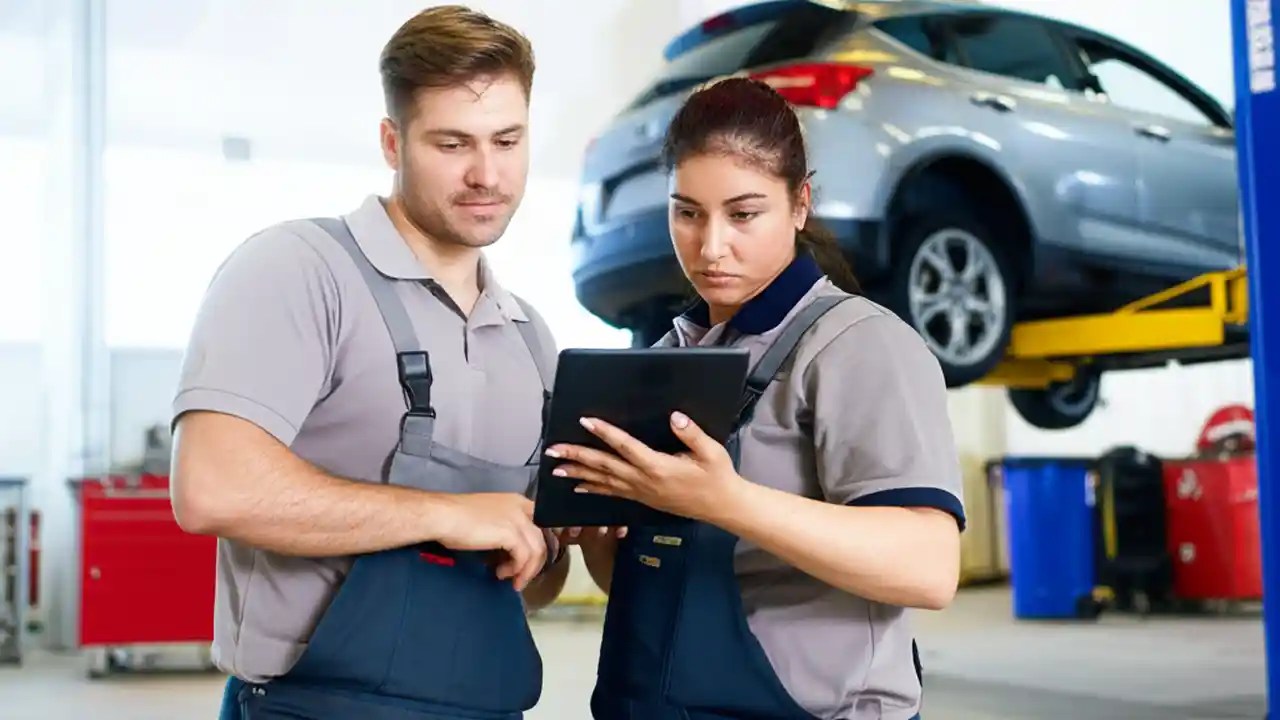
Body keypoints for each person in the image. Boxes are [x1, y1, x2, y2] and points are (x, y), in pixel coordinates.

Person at [169, 6, 569, 719]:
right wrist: (448, 514)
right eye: (452, 144)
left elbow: (532, 588)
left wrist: (549, 539)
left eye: (507, 140)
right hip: (310, 706)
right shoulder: (300, 270)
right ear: (392, 142)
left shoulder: (530, 338)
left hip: (487, 704)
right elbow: (211, 488)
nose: (487, 173)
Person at [549, 77, 966, 720]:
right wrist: (603, 536)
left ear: (800, 203)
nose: (711, 246)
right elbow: (661, 585)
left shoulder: (861, 347)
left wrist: (726, 501)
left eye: (743, 214)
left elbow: (928, 567)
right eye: (687, 212)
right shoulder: (665, 359)